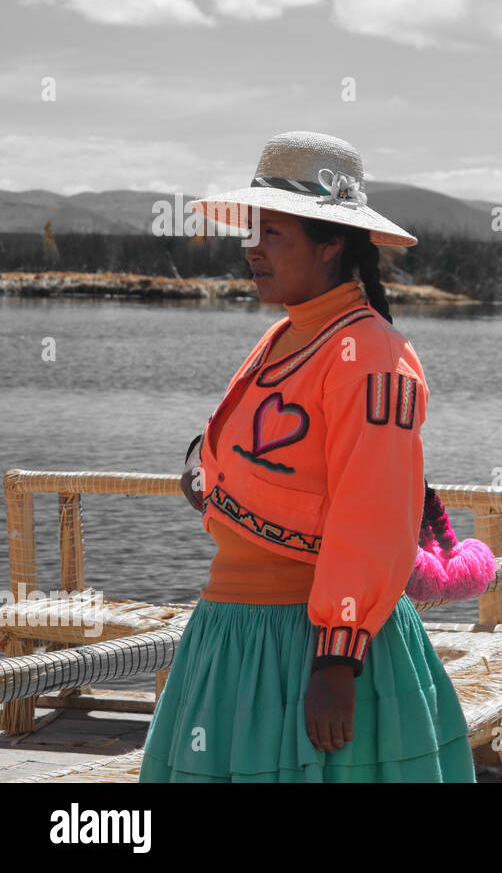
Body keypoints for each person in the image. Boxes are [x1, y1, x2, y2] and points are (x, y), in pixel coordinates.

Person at [139, 131, 475, 782]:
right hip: (236, 632)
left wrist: (335, 662)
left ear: (330, 244)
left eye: (272, 234)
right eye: (252, 230)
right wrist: (204, 474)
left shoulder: (374, 358)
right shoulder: (286, 336)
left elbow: (373, 514)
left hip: (311, 645)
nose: (251, 248)